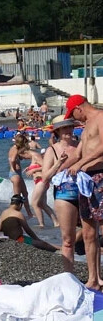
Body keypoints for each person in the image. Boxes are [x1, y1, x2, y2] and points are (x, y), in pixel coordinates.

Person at [64, 95, 103, 290]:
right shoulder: (87, 126)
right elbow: (78, 154)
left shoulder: (101, 118)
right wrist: (56, 171)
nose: (75, 118)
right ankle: (93, 279)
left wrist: (81, 164)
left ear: (79, 107)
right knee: (88, 232)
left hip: (100, 177)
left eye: (73, 114)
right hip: (86, 181)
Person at [41, 117, 81, 272]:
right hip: (65, 196)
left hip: (84, 195)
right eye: (65, 128)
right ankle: (69, 276)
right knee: (68, 240)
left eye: (70, 127)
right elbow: (45, 177)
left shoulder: (79, 146)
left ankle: (94, 276)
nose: (69, 131)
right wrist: (59, 163)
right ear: (57, 131)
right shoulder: (52, 150)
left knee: (92, 237)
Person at [8, 134, 32, 216]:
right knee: (17, 197)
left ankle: (29, 213)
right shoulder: (14, 149)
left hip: (17, 174)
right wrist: (12, 168)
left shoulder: (15, 148)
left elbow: (21, 157)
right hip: (15, 174)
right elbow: (12, 160)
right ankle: (15, 213)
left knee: (25, 194)